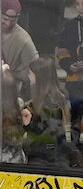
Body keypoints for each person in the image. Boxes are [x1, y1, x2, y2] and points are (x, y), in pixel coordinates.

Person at [23, 55, 72, 164]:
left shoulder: (48, 104)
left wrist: (27, 124)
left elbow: (44, 134)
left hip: (43, 158)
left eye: (31, 73)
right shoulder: (59, 98)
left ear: (39, 76)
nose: (28, 76)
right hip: (55, 154)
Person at [0, 0, 38, 94]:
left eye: (12, 21)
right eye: (4, 19)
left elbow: (35, 70)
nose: (8, 24)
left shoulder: (24, 40)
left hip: (11, 89)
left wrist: (13, 74)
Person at [59, 0, 83, 132]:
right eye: (78, 4)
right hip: (74, 82)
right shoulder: (70, 26)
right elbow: (62, 51)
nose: (80, 7)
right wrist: (69, 66)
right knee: (75, 120)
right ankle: (76, 149)